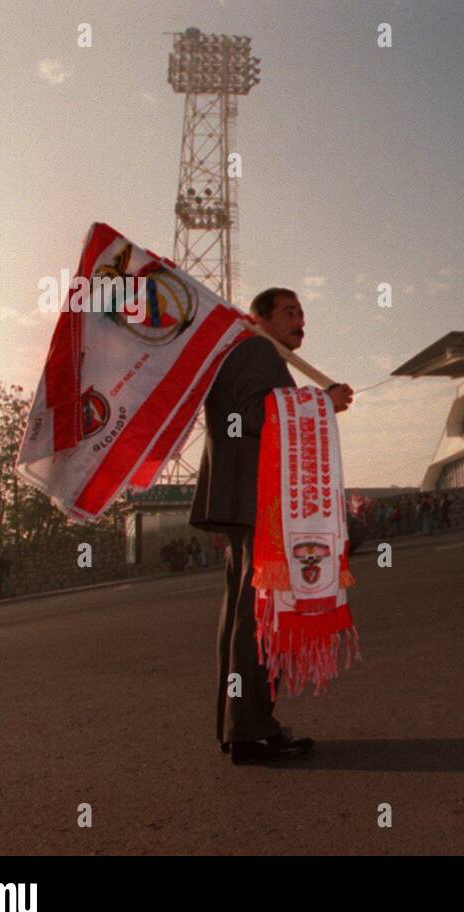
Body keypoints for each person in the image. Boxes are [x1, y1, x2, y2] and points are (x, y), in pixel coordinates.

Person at [190, 287, 354, 765]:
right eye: (289, 311)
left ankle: (240, 726)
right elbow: (260, 418)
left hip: (243, 499)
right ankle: (251, 731)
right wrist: (322, 401)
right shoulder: (256, 348)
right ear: (259, 318)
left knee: (245, 613)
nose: (300, 318)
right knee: (258, 616)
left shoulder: (242, 350)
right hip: (257, 500)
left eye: (302, 311)